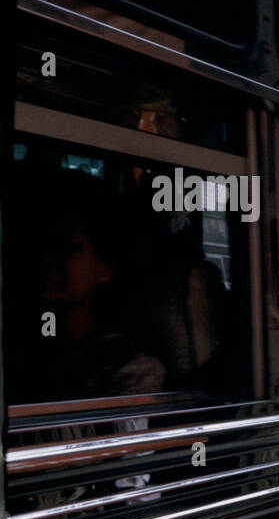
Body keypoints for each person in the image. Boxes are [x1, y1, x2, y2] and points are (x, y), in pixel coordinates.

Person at [9, 169, 166, 403]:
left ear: (105, 268)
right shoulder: (20, 344)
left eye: (67, 247)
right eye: (38, 243)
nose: (46, 258)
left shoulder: (131, 369)